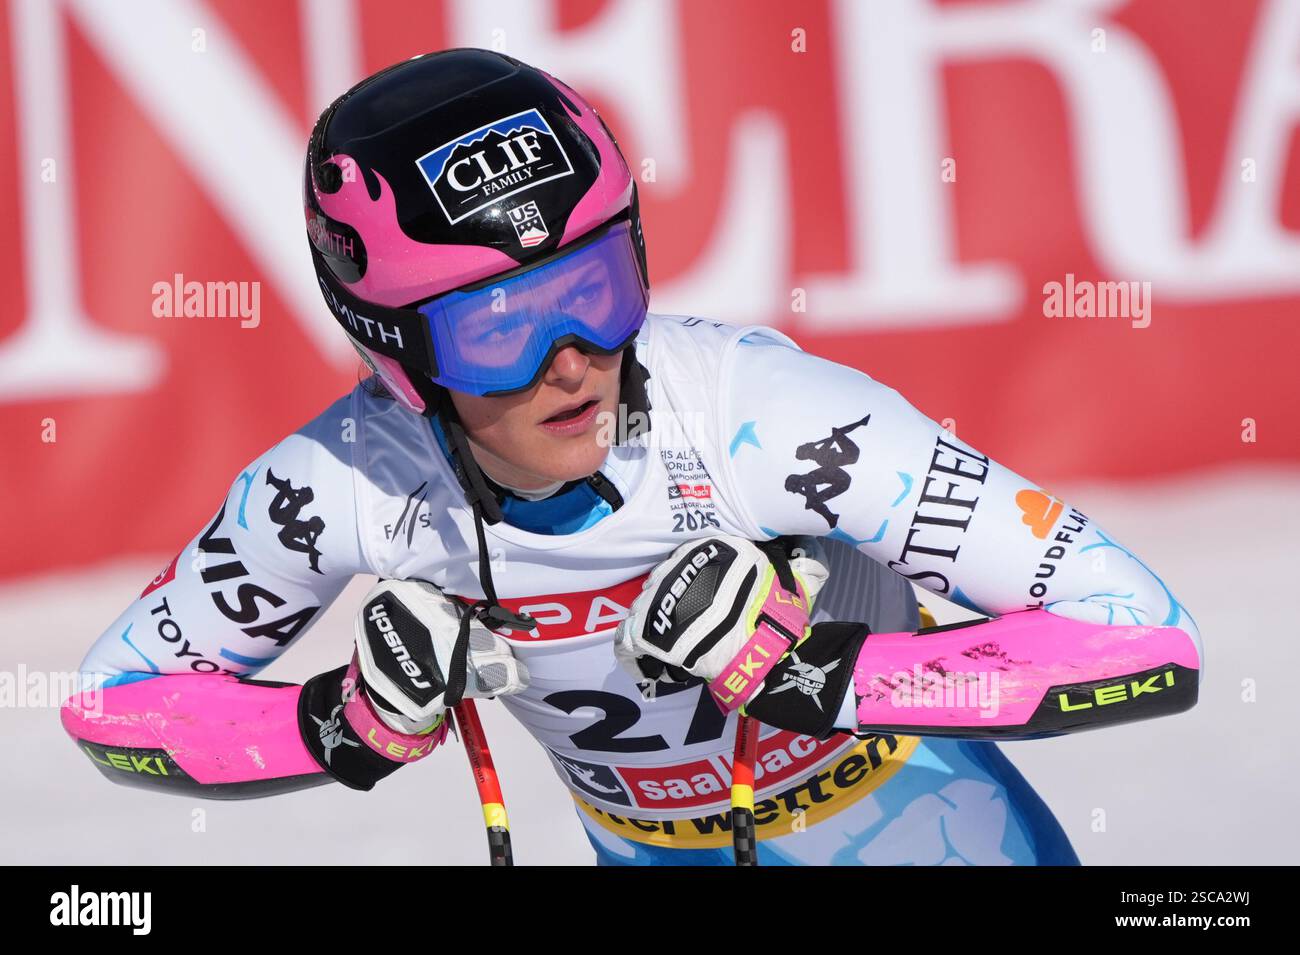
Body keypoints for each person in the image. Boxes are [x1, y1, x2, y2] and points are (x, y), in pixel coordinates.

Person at [61, 48, 1202, 866]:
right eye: (499, 329)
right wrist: (347, 722)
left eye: (596, 292)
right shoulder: (345, 483)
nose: (573, 363)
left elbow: (1146, 636)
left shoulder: (772, 417)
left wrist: (826, 676)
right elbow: (113, 704)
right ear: (393, 349)